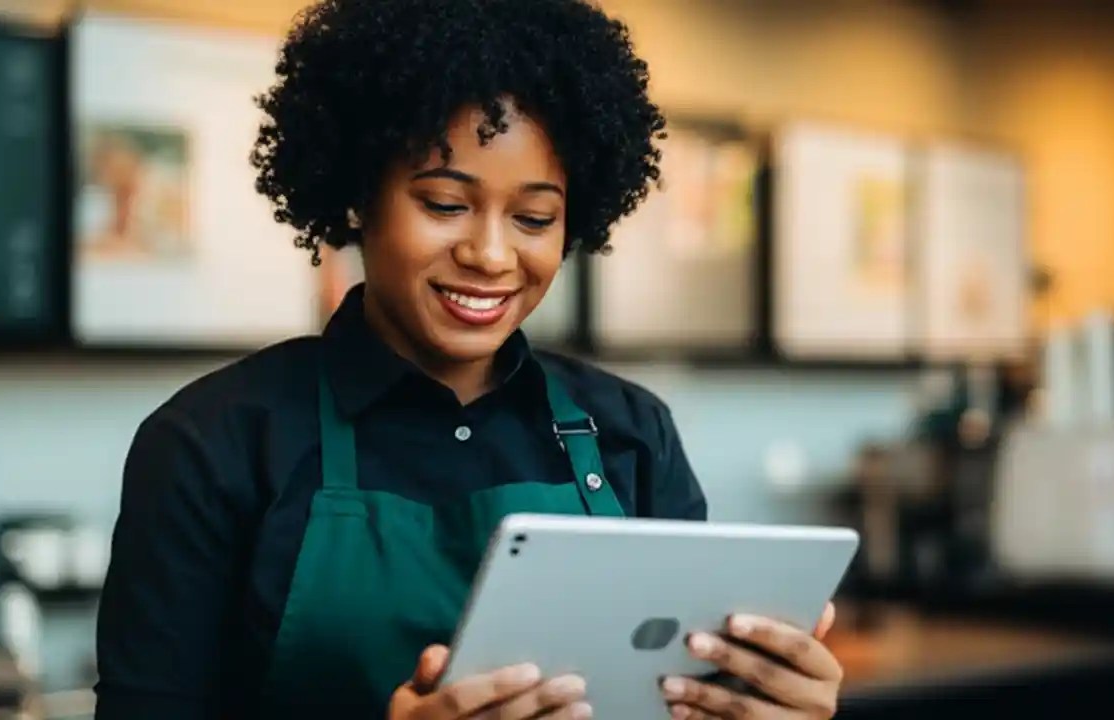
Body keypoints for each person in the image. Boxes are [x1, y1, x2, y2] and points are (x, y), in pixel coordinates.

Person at [93, 0, 845, 718]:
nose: (490, 255)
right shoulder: (213, 443)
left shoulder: (630, 433)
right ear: (361, 196)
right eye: (445, 204)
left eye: (533, 218)